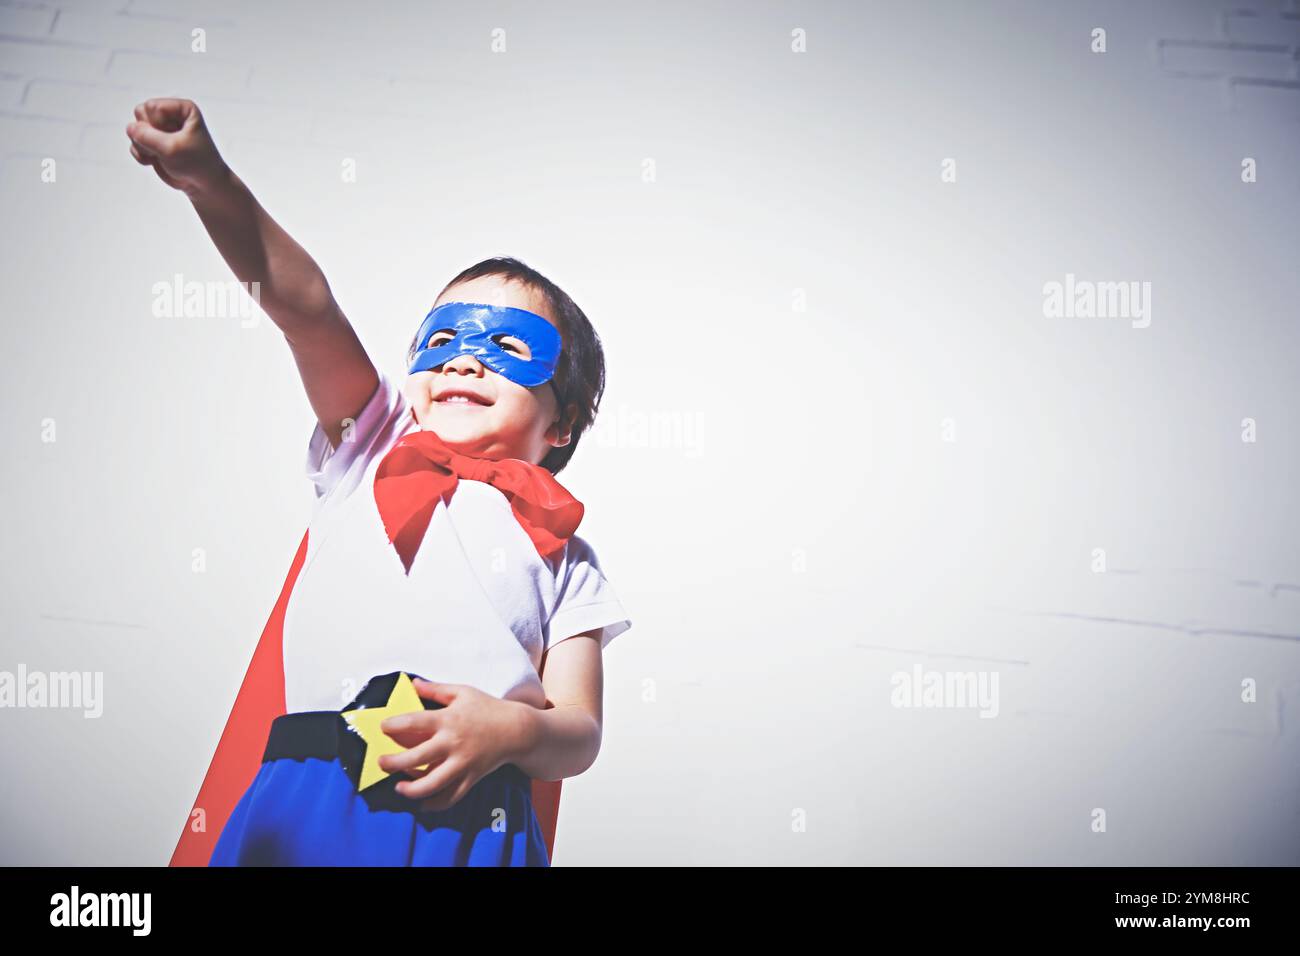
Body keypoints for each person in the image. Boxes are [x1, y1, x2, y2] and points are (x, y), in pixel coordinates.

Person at [127, 98, 633, 866]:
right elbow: (306, 309)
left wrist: (513, 729)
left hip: (467, 814)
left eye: (506, 346)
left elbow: (580, 729)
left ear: (561, 424)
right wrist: (211, 181)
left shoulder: (567, 550)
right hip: (305, 791)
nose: (464, 360)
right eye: (443, 340)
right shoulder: (371, 444)